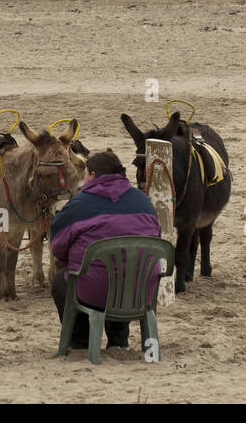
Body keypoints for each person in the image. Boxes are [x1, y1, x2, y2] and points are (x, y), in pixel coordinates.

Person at [49, 149, 162, 351]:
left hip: (96, 291)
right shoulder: (143, 201)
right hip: (141, 290)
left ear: (92, 175)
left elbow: (57, 247)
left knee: (64, 281)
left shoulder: (79, 204)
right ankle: (118, 343)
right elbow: (156, 238)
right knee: (125, 268)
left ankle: (80, 342)